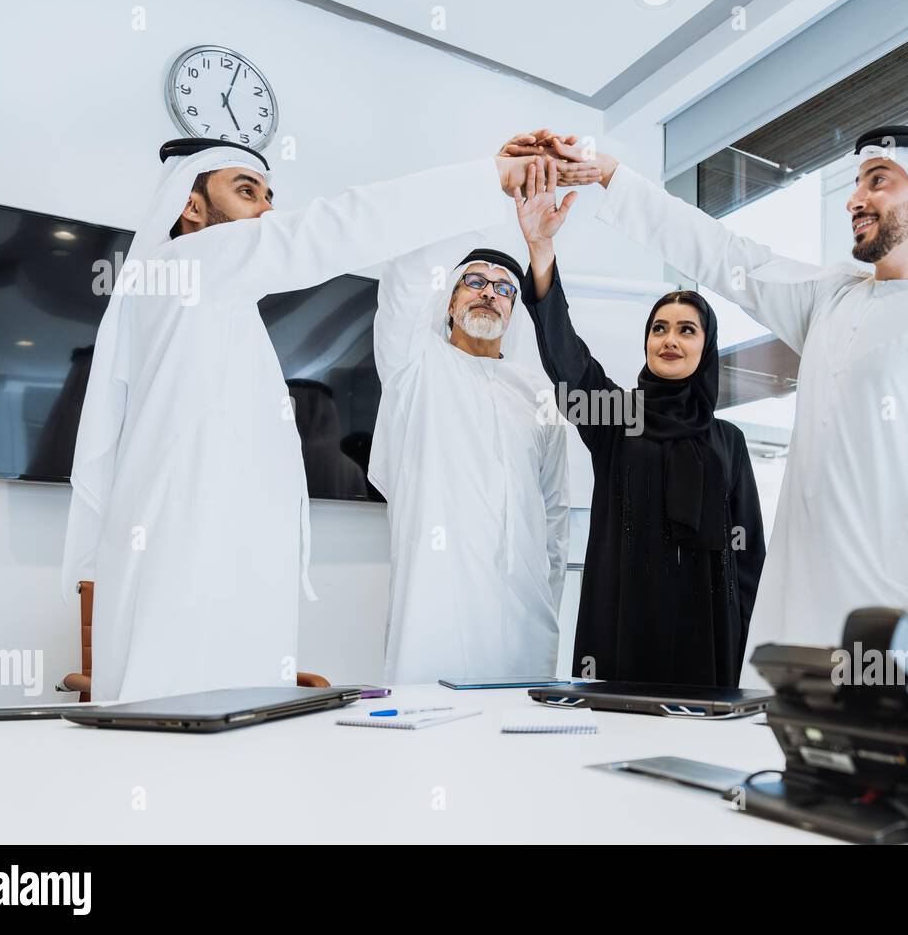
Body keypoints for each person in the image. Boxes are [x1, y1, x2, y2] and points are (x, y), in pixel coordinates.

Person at [63, 137, 596, 702]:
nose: (267, 210)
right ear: (191, 206)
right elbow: (338, 227)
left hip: (227, 578)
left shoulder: (223, 311)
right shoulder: (187, 268)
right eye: (247, 192)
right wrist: (492, 177)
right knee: (171, 740)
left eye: (270, 195)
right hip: (186, 571)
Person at [503, 125, 908, 673]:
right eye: (856, 183)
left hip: (892, 644)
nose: (855, 199)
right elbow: (721, 252)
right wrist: (608, 174)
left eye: (878, 182)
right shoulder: (833, 298)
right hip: (790, 644)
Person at [516, 159, 765, 686]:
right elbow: (569, 364)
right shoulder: (619, 416)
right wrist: (542, 251)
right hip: (624, 628)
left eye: (687, 330)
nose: (670, 339)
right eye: (659, 329)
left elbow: (750, 560)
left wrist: (745, 661)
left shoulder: (729, 441)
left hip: (710, 641)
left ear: (707, 346)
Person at [369, 233, 569, 684]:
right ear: (448, 300)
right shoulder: (415, 365)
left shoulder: (538, 393)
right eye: (474, 281)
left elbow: (555, 514)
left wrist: (548, 600)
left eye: (504, 289)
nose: (488, 293)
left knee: (519, 742)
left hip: (523, 612)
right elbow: (403, 287)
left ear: (514, 311)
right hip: (435, 606)